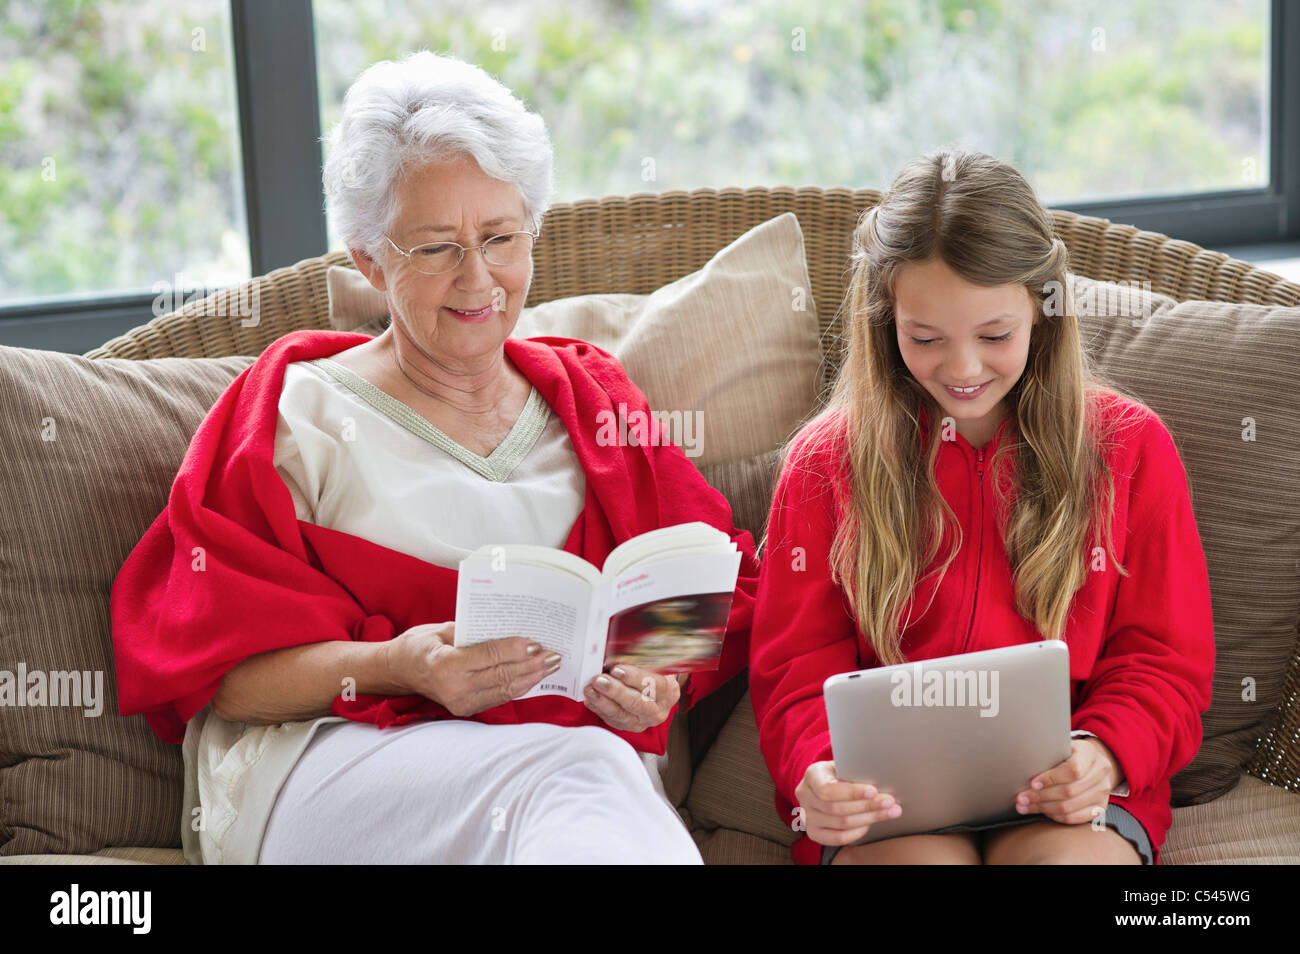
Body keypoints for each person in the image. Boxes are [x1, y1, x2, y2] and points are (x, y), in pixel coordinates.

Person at [109, 50, 758, 865]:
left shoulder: (591, 400)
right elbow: (223, 673)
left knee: (589, 772)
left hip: (563, 776)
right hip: (332, 765)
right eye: (435, 248)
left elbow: (707, 580)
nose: (478, 278)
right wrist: (398, 665)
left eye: (499, 237)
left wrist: (655, 683)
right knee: (584, 771)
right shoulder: (293, 409)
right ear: (369, 259)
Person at [747, 148, 1215, 865]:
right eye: (925, 339)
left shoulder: (1131, 448)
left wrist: (1106, 753)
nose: (963, 370)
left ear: (1043, 311)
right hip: (889, 807)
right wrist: (816, 767)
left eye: (995, 336)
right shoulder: (823, 463)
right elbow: (793, 667)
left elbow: (1164, 659)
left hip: (1072, 800)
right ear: (884, 322)